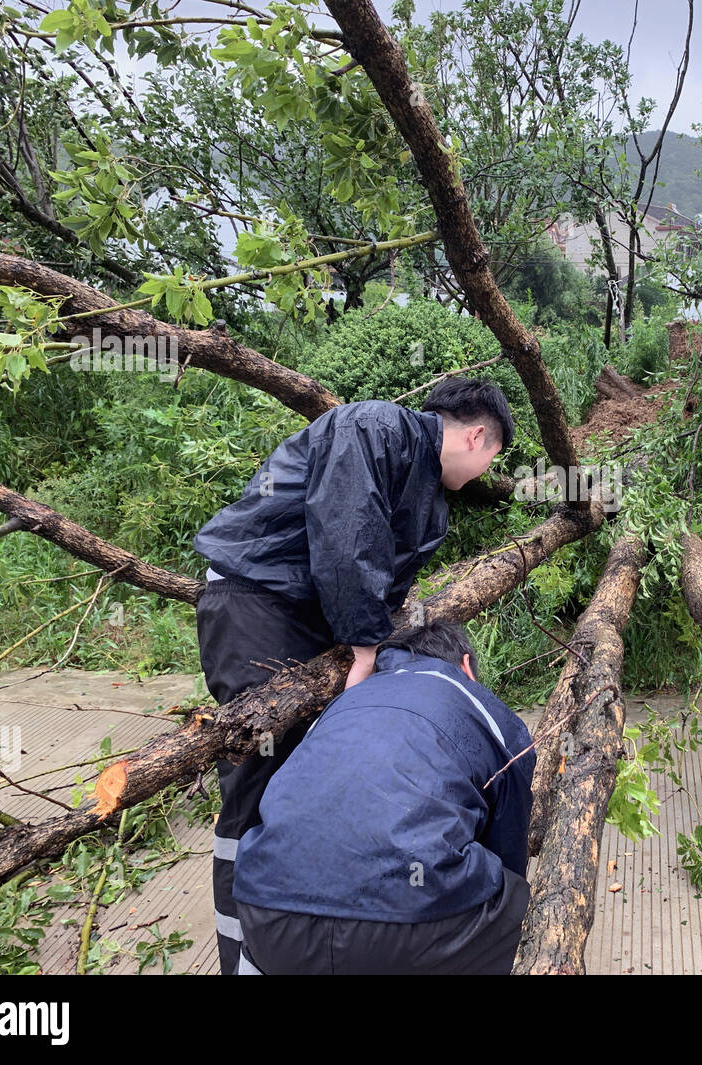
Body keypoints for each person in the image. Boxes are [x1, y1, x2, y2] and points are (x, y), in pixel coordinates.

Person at [193, 377, 514, 973]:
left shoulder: (431, 503)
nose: (482, 474)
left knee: (313, 780)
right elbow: (346, 535)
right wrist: (364, 652)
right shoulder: (374, 427)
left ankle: (324, 936)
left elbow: (387, 588)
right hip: (256, 604)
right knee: (257, 783)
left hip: (312, 622)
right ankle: (243, 953)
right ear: (476, 436)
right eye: (490, 459)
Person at [231, 622, 534, 975]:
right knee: (514, 896)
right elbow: (508, 844)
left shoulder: (342, 705)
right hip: (411, 935)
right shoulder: (475, 702)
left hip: (267, 915)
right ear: (466, 666)